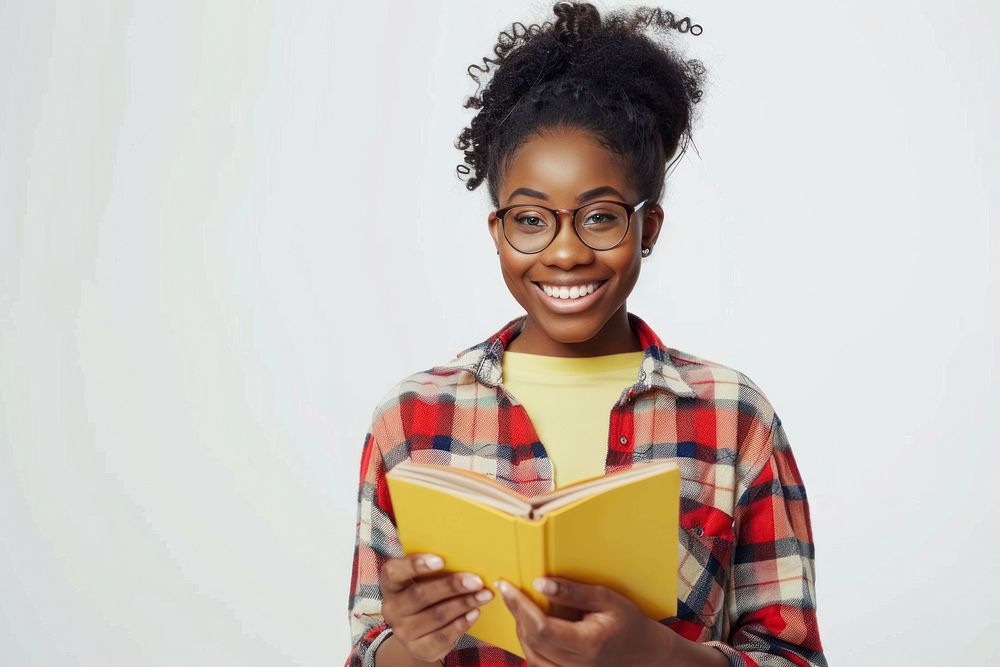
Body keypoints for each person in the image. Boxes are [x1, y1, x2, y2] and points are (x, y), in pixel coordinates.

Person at [345, 3, 827, 665]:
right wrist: (410, 642)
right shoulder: (411, 417)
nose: (565, 252)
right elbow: (367, 650)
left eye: (599, 217)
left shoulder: (733, 415)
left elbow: (793, 657)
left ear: (647, 228)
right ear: (499, 233)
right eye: (531, 219)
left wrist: (653, 652)